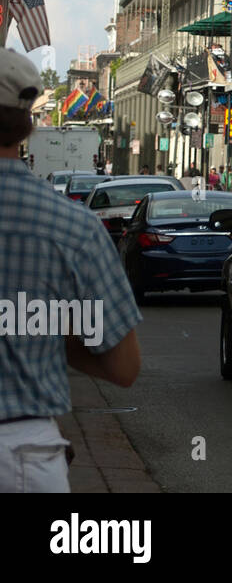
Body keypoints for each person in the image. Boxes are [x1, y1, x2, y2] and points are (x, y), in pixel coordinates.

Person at [0, 49, 141, 493]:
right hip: (25, 455)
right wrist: (44, 336)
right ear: (29, 124)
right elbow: (123, 366)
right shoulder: (73, 226)